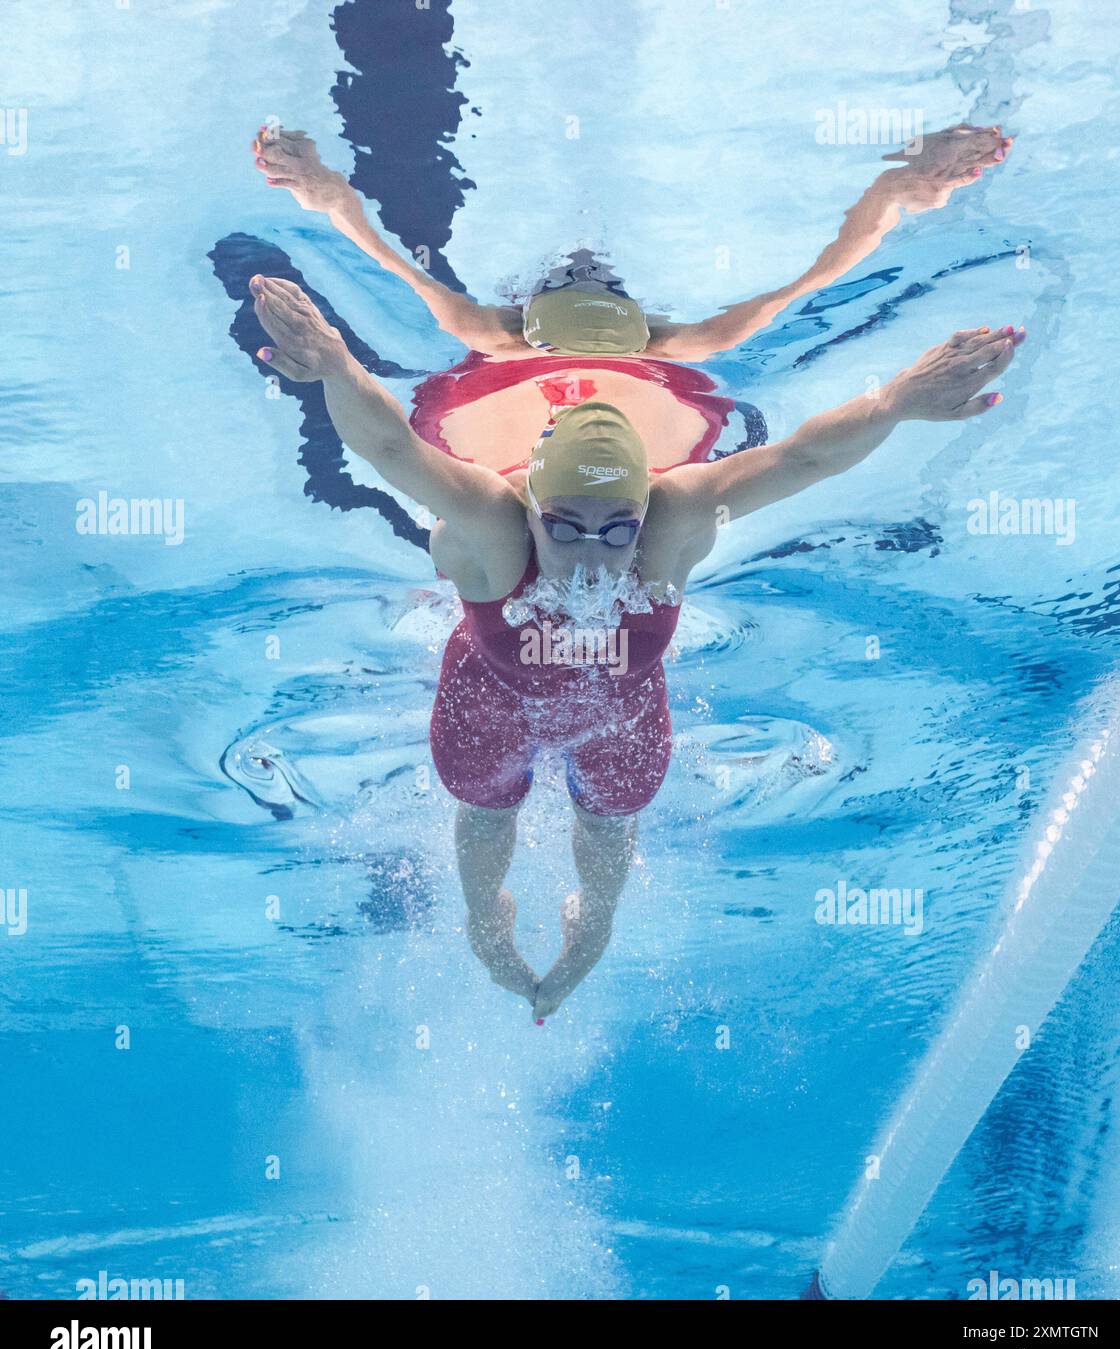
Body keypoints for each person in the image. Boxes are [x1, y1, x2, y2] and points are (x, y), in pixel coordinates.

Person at [247, 267, 1023, 1020]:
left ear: (643, 517)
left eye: (617, 530)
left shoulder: (675, 521)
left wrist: (892, 402)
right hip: (488, 697)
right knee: (486, 819)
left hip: (620, 713)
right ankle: (485, 928)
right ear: (533, 508)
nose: (591, 553)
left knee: (608, 824)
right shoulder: (492, 523)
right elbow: (391, 452)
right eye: (565, 527)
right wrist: (337, 365)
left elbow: (803, 458)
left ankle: (594, 933)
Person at [252, 121, 1012, 360]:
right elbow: (804, 284)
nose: (586, 271)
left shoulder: (490, 331)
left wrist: (330, 195)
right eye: (602, 285)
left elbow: (392, 262)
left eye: (588, 284)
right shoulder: (686, 343)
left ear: (528, 314)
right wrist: (900, 195)